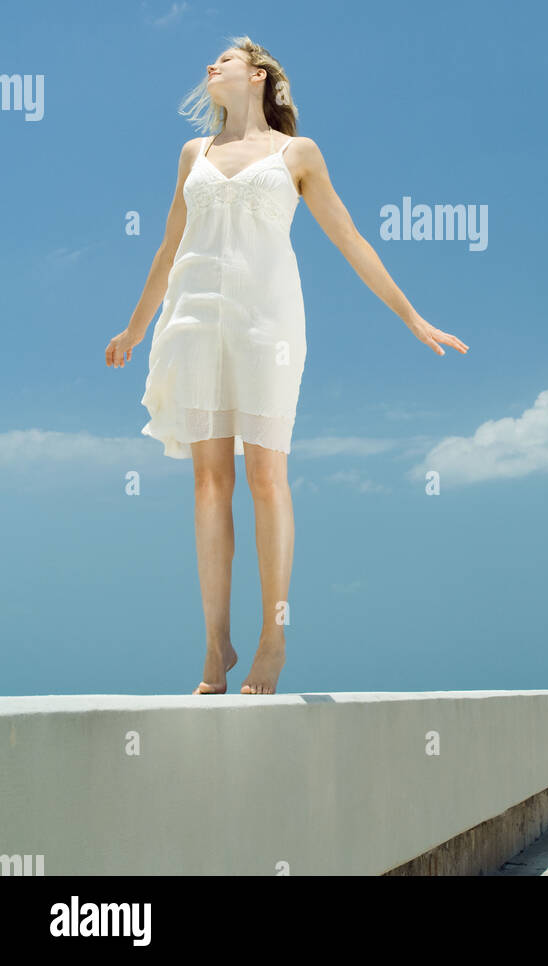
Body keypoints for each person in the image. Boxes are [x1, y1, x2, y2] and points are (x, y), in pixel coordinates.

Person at [105, 36, 468, 696]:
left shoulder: (296, 154)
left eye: (224, 59)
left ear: (259, 74)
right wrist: (133, 329)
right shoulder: (195, 154)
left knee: (267, 475)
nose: (210, 66)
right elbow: (168, 248)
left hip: (267, 324)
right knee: (208, 482)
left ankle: (274, 636)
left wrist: (412, 317)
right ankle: (216, 644)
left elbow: (350, 238)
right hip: (194, 320)